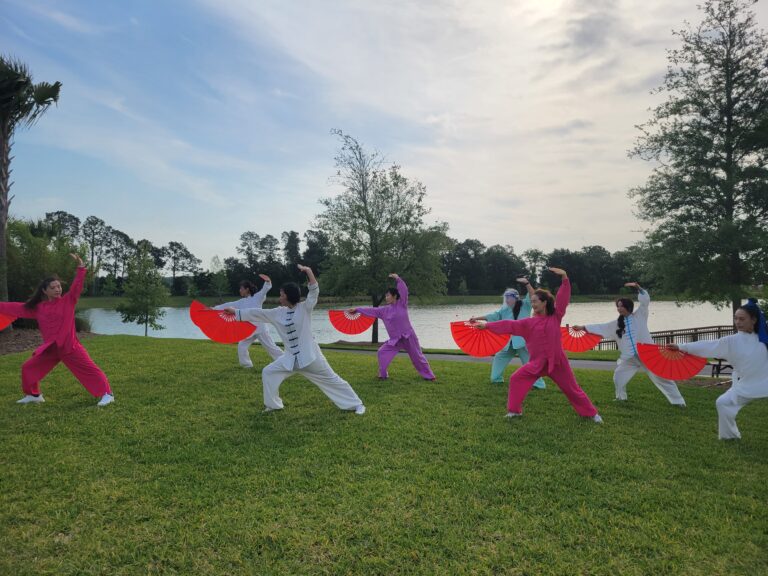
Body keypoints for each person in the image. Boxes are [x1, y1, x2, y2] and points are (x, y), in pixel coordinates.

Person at [226, 264, 365, 414]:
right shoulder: (277, 313)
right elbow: (257, 313)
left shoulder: (305, 308)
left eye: (281, 294)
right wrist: (236, 312)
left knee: (332, 380)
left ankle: (357, 404)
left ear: (288, 295)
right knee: (268, 372)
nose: (279, 297)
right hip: (289, 360)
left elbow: (314, 292)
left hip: (312, 358)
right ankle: (273, 405)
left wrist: (309, 272)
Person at [471, 267, 602, 422]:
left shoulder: (555, 316)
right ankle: (514, 411)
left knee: (572, 389)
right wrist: (487, 326)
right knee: (516, 378)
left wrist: (565, 279)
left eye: (535, 301)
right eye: (531, 301)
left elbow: (562, 300)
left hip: (558, 362)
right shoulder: (528, 323)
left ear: (544, 302)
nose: (532, 304)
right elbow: (508, 325)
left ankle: (592, 414)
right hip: (537, 363)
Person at [0, 253, 113, 406]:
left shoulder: (68, 301)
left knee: (90, 370)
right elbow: (16, 308)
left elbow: (76, 287)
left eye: (59, 286)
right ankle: (34, 395)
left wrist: (81, 269)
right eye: (53, 287)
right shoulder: (39, 308)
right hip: (51, 349)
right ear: (45, 291)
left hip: (70, 347)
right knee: (28, 368)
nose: (57, 289)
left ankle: (107, 394)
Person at [571, 282, 686, 406]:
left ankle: (678, 401)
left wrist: (638, 288)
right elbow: (601, 327)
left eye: (621, 306)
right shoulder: (616, 324)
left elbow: (645, 301)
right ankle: (621, 398)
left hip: (648, 356)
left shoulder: (640, 315)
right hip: (630, 358)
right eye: (618, 306)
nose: (619, 308)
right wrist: (582, 327)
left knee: (663, 378)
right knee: (618, 376)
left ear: (628, 307)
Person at [668, 299, 768, 439]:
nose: (737, 322)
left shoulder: (764, 338)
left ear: (754, 320)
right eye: (736, 318)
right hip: (747, 385)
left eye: (742, 319)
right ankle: (730, 436)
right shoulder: (731, 341)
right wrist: (681, 346)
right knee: (723, 402)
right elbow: (708, 345)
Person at [348, 273, 435, 381]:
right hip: (395, 340)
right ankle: (383, 375)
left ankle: (429, 376)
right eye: (386, 295)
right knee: (382, 352)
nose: (386, 297)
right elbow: (371, 310)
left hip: (409, 337)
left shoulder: (402, 304)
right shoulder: (384, 310)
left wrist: (398, 279)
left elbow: (404, 291)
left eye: (388, 295)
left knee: (418, 356)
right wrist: (357, 309)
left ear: (394, 296)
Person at [469, 279, 546, 389]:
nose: (507, 300)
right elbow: (492, 316)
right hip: (508, 342)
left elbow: (533, 295)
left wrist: (527, 284)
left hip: (524, 342)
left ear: (515, 298)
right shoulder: (504, 310)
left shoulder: (525, 305)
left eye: (509, 298)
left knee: (530, 363)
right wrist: (476, 318)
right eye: (506, 298)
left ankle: (539, 384)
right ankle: (496, 379)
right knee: (499, 358)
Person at [213, 275, 282, 368]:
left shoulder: (257, 297)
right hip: (249, 330)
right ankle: (247, 366)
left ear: (247, 289)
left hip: (261, 328)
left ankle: (284, 361)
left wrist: (268, 281)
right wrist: (213, 309)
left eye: (241, 288)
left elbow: (265, 289)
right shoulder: (241, 302)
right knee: (241, 347)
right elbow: (229, 305)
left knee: (271, 347)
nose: (240, 290)